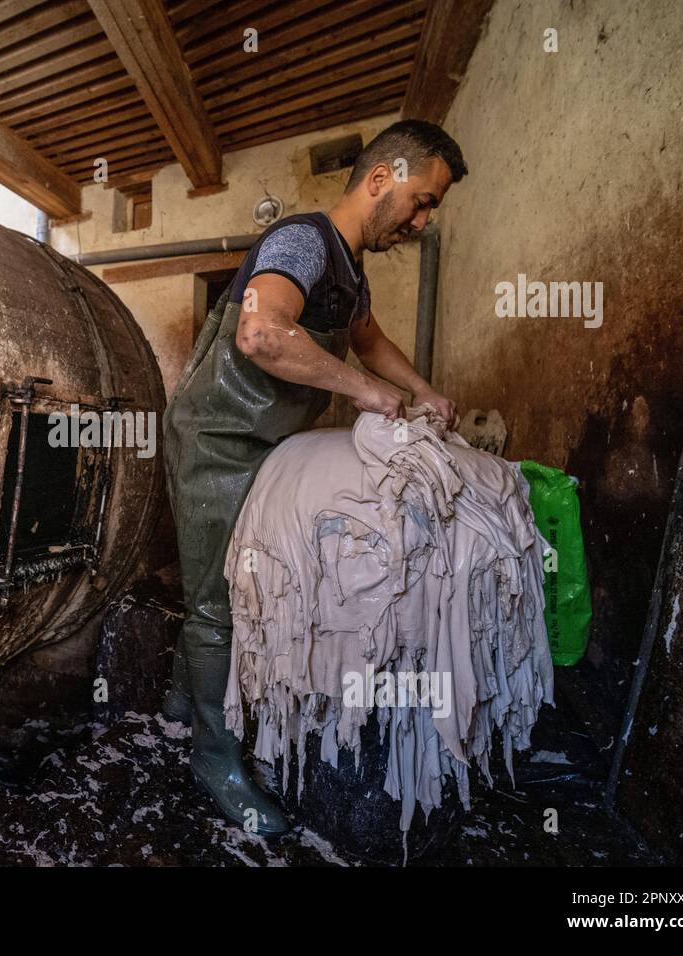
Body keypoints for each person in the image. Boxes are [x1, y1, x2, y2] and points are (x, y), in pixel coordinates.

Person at [161, 119, 468, 835]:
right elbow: (261, 333)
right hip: (218, 439)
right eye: (422, 200)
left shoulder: (349, 269)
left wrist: (424, 392)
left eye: (434, 211)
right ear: (382, 176)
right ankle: (215, 758)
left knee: (226, 579)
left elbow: (365, 338)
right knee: (220, 600)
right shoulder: (301, 241)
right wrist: (364, 393)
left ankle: (182, 701)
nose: (422, 220)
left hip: (265, 442)